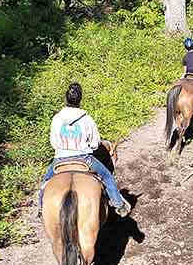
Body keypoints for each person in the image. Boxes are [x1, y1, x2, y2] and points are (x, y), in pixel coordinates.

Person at [39, 82, 131, 216]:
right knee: (107, 177)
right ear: (80, 99)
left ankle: (41, 209)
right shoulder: (86, 119)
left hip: (59, 160)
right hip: (84, 159)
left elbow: (54, 143)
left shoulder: (56, 119)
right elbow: (94, 144)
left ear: (66, 98)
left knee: (44, 183)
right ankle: (119, 205)